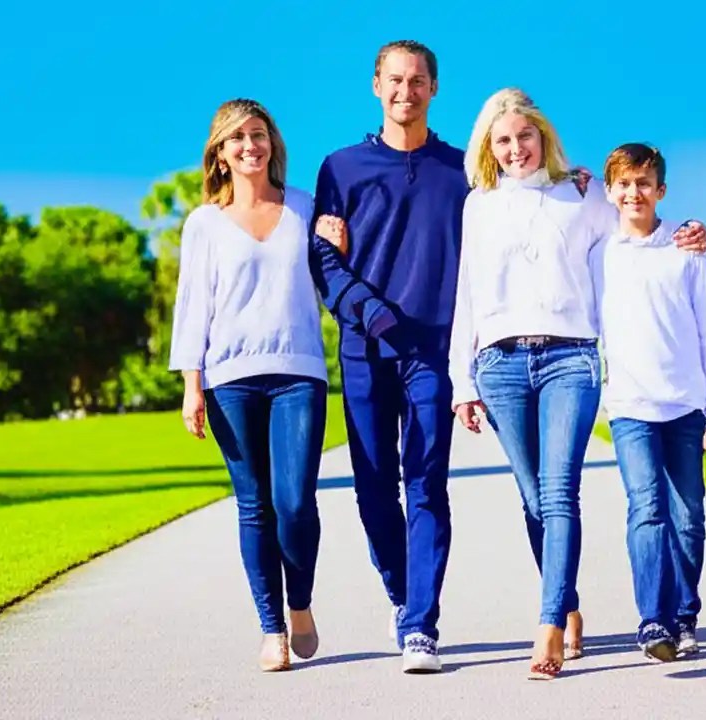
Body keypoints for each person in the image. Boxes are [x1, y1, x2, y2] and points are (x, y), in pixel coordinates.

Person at [448, 88, 706, 679]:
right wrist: (460, 379)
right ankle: (565, 606)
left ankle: (544, 627)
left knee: (560, 491)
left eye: (526, 136)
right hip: (499, 364)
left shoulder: (583, 192)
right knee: (533, 498)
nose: (517, 148)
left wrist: (689, 231)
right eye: (504, 140)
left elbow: (638, 229)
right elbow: (466, 293)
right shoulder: (479, 205)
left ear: (544, 137)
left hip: (571, 359)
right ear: (490, 147)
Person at [308, 39, 469, 674]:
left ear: (434, 88)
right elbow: (322, 260)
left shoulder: (463, 171)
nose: (407, 90)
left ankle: (421, 625)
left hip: (432, 351)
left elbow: (522, 200)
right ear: (376, 86)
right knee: (374, 490)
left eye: (418, 80)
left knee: (427, 482)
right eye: (395, 79)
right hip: (365, 351)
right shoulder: (340, 168)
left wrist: (576, 183)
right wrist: (367, 309)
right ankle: (406, 596)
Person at [168, 98, 328, 672]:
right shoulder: (204, 223)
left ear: (272, 143)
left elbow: (338, 272)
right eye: (236, 139)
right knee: (254, 505)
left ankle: (301, 601)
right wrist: (193, 384)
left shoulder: (305, 209)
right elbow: (193, 308)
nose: (249, 146)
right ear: (220, 153)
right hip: (230, 380)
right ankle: (271, 626)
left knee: (294, 502)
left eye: (258, 135)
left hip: (298, 374)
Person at [589, 143, 706, 662]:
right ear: (610, 192)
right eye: (624, 184)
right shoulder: (598, 255)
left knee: (688, 515)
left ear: (661, 191)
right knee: (646, 510)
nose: (634, 193)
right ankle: (654, 621)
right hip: (629, 407)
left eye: (644, 183)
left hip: (685, 406)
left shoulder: (687, 250)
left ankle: (684, 614)